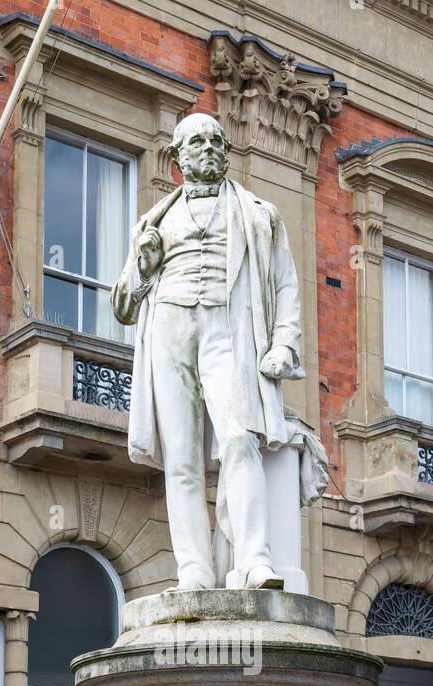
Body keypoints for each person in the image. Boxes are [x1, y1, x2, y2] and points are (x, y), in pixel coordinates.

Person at [111, 112, 307, 591]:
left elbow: (285, 285)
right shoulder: (151, 224)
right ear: (177, 157)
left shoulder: (259, 215)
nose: (209, 148)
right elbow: (121, 305)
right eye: (196, 141)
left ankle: (256, 559)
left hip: (229, 328)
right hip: (171, 330)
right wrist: (143, 266)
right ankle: (194, 569)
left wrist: (284, 342)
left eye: (217, 141)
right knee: (181, 460)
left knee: (240, 439)